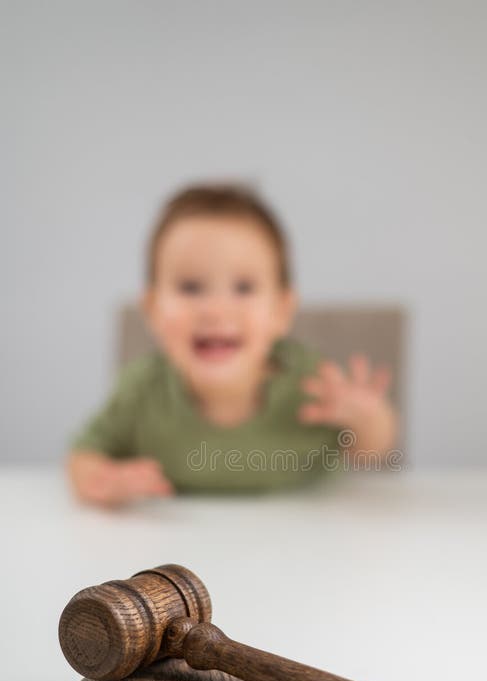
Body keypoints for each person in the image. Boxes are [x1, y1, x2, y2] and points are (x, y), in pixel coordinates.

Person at [67, 183, 398, 505]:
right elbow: (84, 452)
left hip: (305, 531)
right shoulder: (142, 391)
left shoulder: (313, 385)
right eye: (191, 287)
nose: (215, 309)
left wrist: (369, 420)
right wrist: (101, 480)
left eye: (243, 288)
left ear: (281, 312)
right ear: (153, 309)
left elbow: (369, 453)